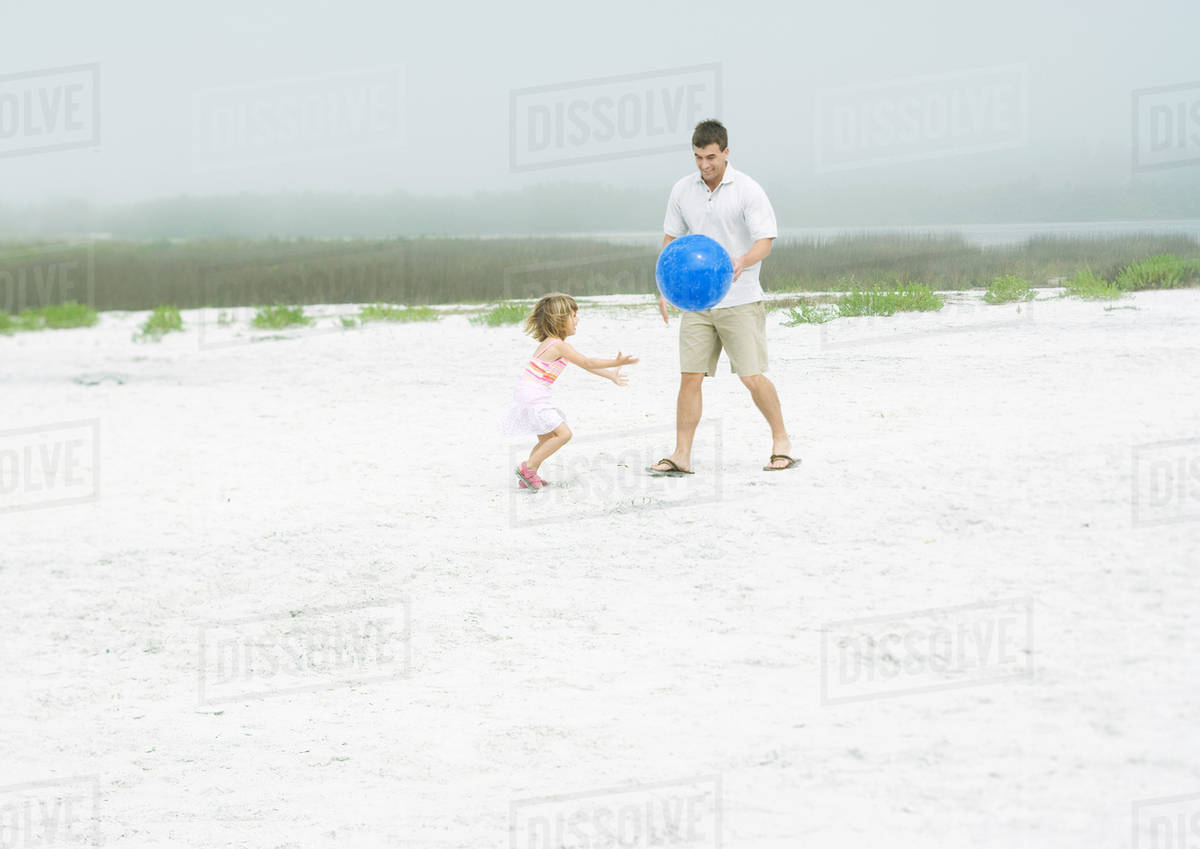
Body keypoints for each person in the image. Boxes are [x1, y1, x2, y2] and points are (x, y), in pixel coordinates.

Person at [648, 119, 798, 475]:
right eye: (698, 157)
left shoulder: (747, 190)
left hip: (740, 298)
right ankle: (681, 454)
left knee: (751, 376)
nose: (704, 165)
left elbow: (766, 241)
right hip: (697, 303)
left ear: (726, 152)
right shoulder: (682, 190)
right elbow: (671, 240)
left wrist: (742, 261)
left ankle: (782, 442)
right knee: (690, 377)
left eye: (711, 157)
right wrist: (664, 289)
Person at [501, 292, 638, 491]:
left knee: (548, 439)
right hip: (533, 396)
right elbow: (588, 361)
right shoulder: (558, 345)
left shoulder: (551, 343)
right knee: (564, 434)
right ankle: (527, 467)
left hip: (529, 394)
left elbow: (586, 366)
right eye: (573, 315)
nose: (577, 320)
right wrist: (616, 361)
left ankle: (529, 476)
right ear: (559, 319)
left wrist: (611, 375)